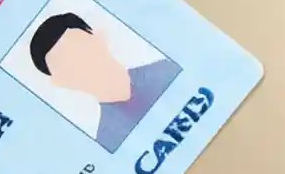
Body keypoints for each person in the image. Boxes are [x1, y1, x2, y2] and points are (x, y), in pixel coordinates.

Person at [30, 13, 180, 153]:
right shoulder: (111, 142)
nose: (83, 64)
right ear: (61, 82)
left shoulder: (170, 70)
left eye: (82, 48)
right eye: (67, 65)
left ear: (99, 38)